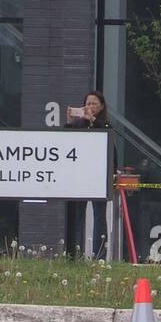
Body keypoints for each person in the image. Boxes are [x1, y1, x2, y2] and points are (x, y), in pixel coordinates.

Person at [66, 91, 114, 259]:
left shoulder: (104, 124)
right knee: (77, 215)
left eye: (94, 104)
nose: (90, 107)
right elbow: (66, 142)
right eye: (88, 103)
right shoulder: (78, 124)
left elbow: (108, 136)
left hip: (98, 176)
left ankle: (99, 254)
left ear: (101, 106)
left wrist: (92, 119)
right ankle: (76, 253)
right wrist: (69, 122)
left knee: (99, 216)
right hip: (79, 175)